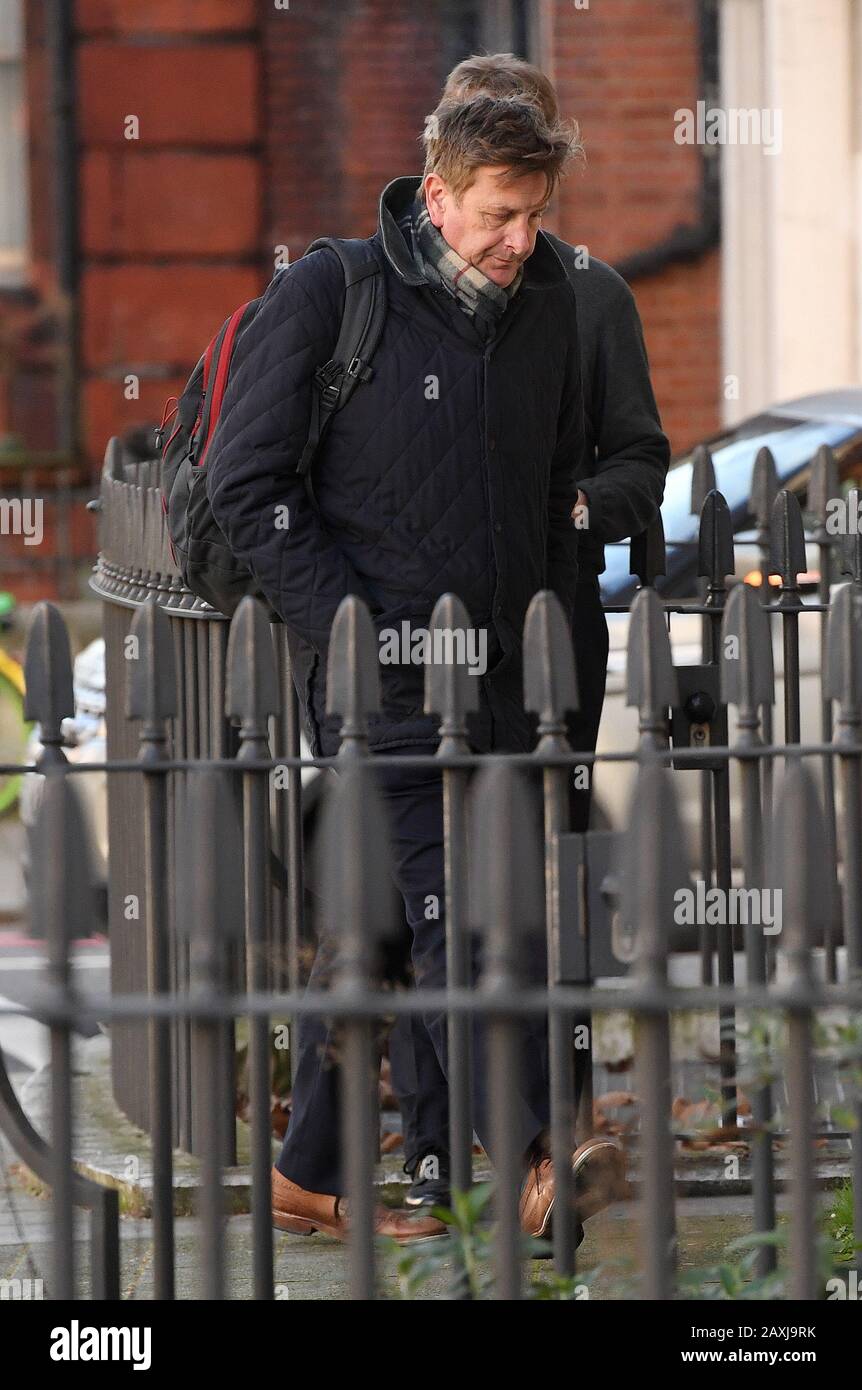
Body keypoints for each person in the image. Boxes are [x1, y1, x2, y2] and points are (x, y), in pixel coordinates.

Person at [207, 92, 623, 1244]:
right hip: (377, 684)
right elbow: (248, 485)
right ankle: (540, 1153)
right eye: (497, 214)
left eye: (535, 214)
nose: (518, 240)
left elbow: (547, 492)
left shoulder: (544, 304)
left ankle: (306, 1170)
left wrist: (538, 651)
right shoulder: (331, 294)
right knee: (465, 922)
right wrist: (356, 631)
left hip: (494, 681)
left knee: (392, 927)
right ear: (435, 195)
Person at [389, 55, 671, 1218]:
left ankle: (554, 1139)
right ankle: (439, 1150)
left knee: (539, 897)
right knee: (424, 910)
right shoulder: (415, 290)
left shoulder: (586, 291)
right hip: (420, 655)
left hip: (548, 644)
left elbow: (636, 462)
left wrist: (561, 509)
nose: (514, 226)